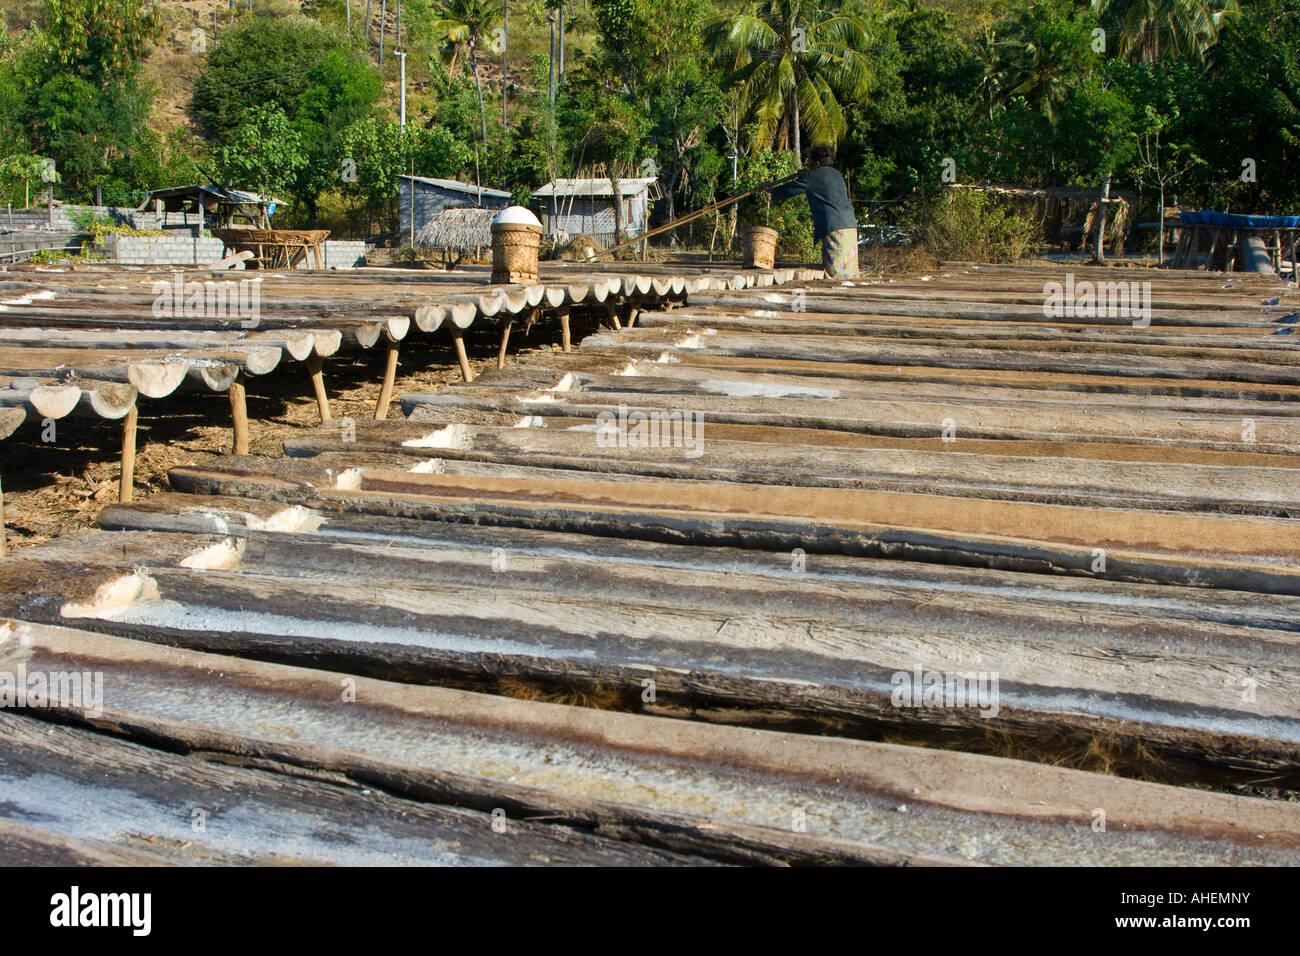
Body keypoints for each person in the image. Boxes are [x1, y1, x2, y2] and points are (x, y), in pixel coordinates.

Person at [768, 145, 859, 279]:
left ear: (816, 163)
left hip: (835, 227)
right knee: (849, 273)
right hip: (850, 225)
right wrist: (805, 175)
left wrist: (769, 189)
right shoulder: (836, 174)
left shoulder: (811, 176)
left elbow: (789, 190)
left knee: (836, 274)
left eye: (809, 162)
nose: (807, 164)